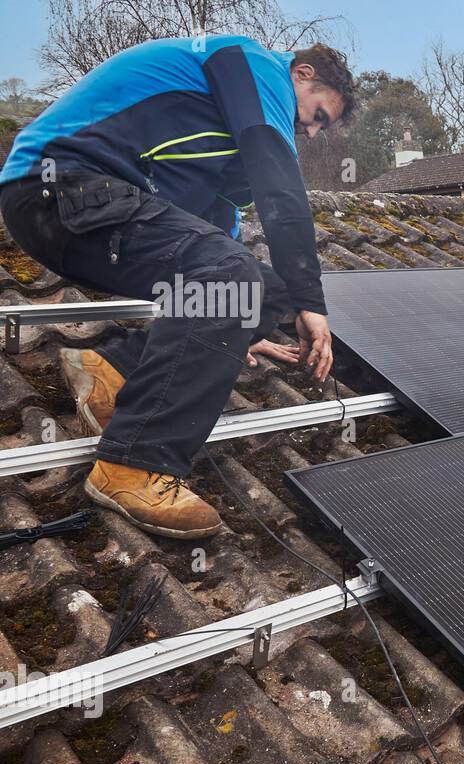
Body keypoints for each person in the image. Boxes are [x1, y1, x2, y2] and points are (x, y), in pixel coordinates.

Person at [0, 36, 354, 539]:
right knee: (238, 275)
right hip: (54, 186)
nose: (312, 133)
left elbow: (215, 224)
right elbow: (279, 187)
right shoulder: (249, 62)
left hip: (102, 211)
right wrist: (310, 302)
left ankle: (110, 370)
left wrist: (234, 320)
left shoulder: (219, 124)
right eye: (317, 115)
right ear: (301, 74)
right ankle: (134, 464)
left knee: (260, 287)